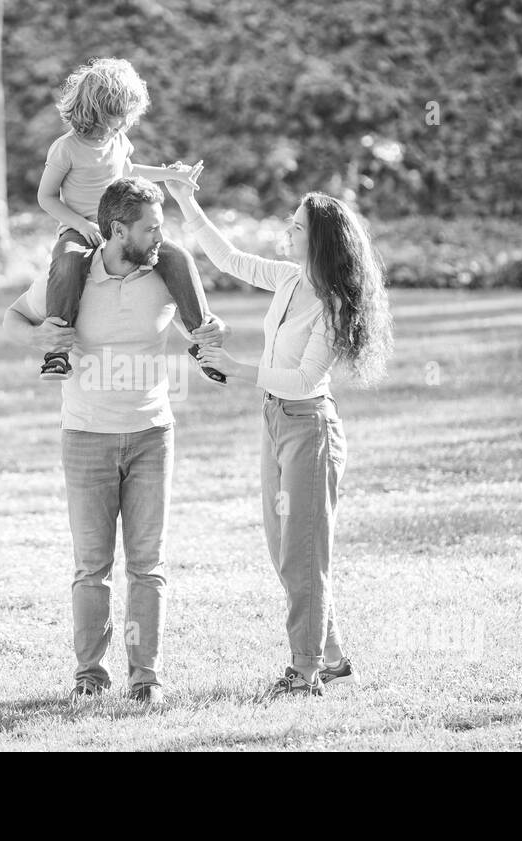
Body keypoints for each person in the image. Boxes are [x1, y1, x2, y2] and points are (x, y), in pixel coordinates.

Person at [164, 166, 394, 697]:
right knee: (283, 547)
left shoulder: (333, 304)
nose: (285, 234)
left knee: (303, 553)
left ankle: (304, 671)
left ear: (318, 241)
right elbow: (228, 259)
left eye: (295, 228)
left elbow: (304, 378)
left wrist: (234, 366)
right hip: (275, 421)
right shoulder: (291, 279)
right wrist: (185, 201)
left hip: (309, 427)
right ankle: (331, 657)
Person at [2, 177, 228, 706]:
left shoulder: (167, 272)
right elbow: (12, 318)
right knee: (92, 567)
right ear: (118, 230)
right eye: (151, 227)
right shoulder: (73, 275)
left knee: (148, 564)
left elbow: (205, 325)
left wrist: (212, 340)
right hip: (86, 436)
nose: (160, 236)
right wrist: (38, 337)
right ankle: (90, 674)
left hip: (152, 434)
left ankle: (145, 676)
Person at [35, 57, 226, 385]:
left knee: (177, 257)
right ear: (96, 108)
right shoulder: (65, 149)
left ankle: (202, 342)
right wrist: (81, 226)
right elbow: (46, 197)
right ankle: (57, 353)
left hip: (123, 227)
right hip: (81, 228)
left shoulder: (117, 141)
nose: (124, 122)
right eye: (118, 114)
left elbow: (129, 171)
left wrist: (169, 172)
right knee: (67, 262)